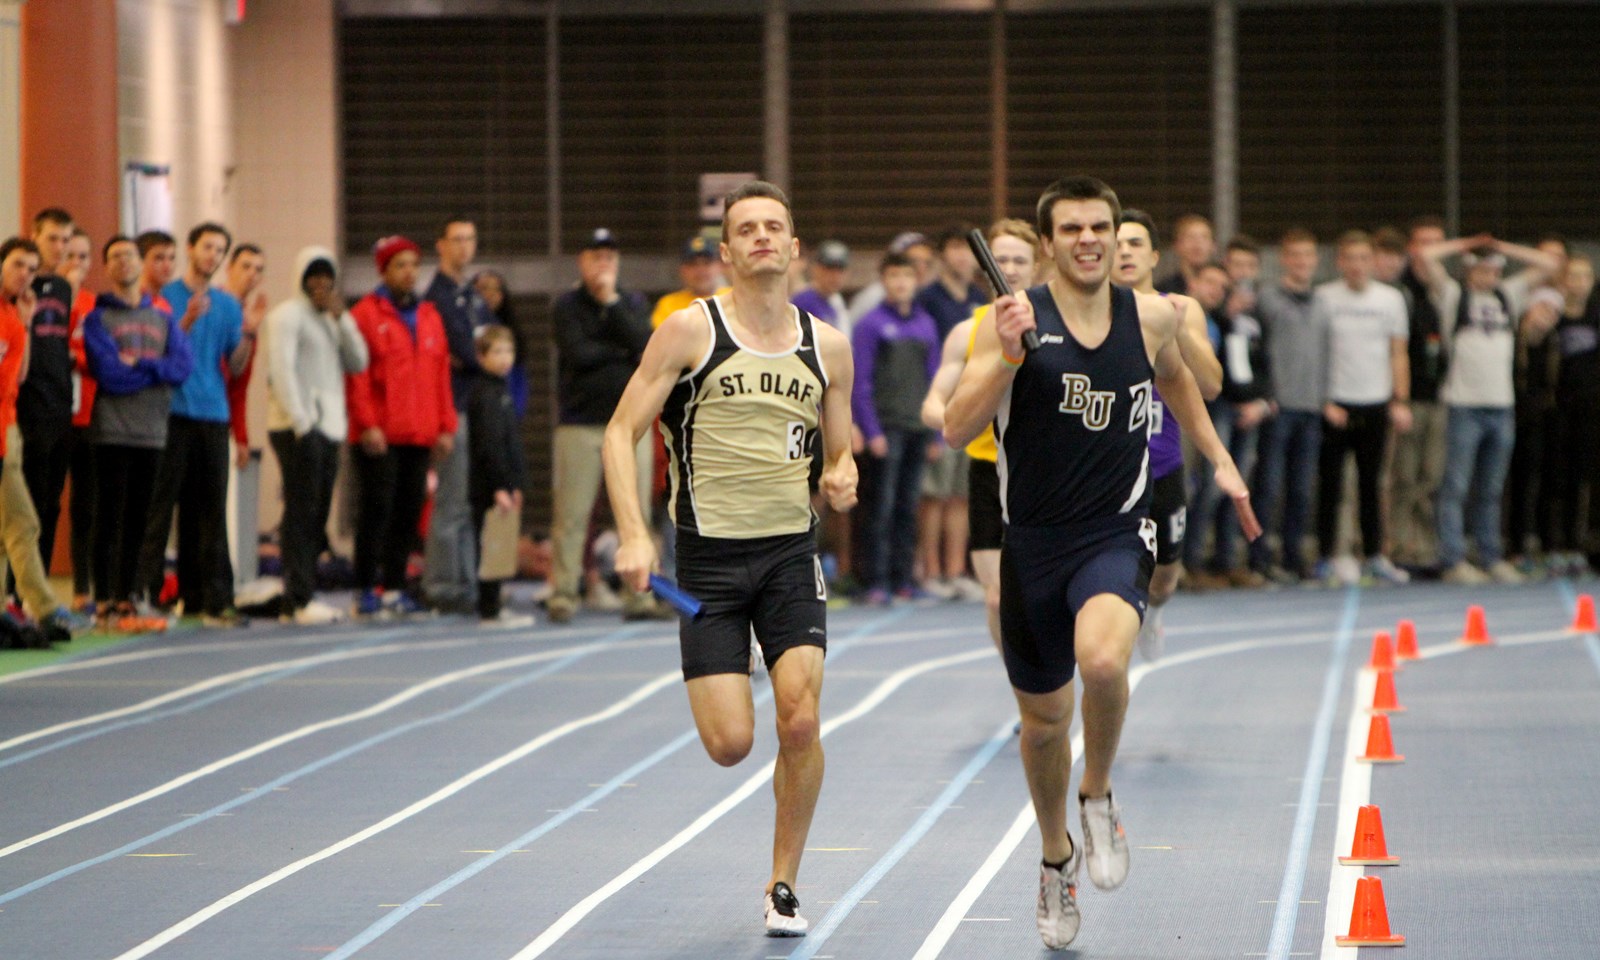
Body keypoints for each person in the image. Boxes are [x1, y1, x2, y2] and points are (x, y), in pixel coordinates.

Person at [943, 177, 1252, 949]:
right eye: (1072, 228)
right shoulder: (1008, 321)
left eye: (1100, 227)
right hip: (1031, 545)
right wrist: (1007, 357)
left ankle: (1099, 794)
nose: (1089, 239)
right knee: (1043, 724)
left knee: (1105, 664)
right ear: (1047, 243)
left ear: (1119, 237)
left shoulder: (1151, 316)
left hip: (1115, 531)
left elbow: (1180, 384)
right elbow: (955, 428)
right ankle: (1055, 859)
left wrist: (1218, 460)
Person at [602, 181, 857, 937]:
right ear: (725, 251)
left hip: (787, 554)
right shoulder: (689, 332)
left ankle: (783, 885)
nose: (762, 238)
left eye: (775, 226)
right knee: (730, 745)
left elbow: (837, 450)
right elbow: (620, 432)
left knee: (801, 721)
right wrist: (634, 533)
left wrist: (841, 474)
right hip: (708, 561)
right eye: (745, 228)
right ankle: (735, 651)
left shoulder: (828, 345)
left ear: (795, 246)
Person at [921, 218, 1042, 652]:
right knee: (996, 597)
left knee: (1042, 597)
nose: (1008, 267)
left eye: (1019, 260)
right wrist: (963, 418)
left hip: (1040, 473)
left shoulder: (1056, 325)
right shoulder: (967, 330)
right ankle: (1023, 692)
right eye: (1000, 258)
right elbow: (933, 405)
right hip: (988, 472)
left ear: (1037, 266)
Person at [1110, 210, 1224, 661]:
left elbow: (1212, 384)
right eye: (1117, 243)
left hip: (1163, 464)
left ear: (1155, 255)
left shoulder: (1180, 306)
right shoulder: (1088, 310)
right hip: (1108, 470)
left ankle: (1153, 613)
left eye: (1135, 244)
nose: (1124, 252)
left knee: (1164, 577)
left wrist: (1180, 332)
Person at [1417, 233, 1560, 584]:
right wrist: (1465, 244)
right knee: (1456, 486)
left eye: (1494, 270)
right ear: (1469, 271)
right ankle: (1453, 558)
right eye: (1481, 270)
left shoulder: (1507, 296)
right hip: (1464, 405)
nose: (1488, 276)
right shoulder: (1455, 296)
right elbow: (1424, 255)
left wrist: (1503, 247)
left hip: (1501, 407)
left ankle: (1491, 555)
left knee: (1492, 489)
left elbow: (1550, 265)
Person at [134, 223, 255, 626]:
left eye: (220, 250)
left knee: (210, 509)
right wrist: (184, 320)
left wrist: (250, 334)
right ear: (190, 249)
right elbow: (157, 350)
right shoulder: (164, 298)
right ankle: (146, 594)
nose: (213, 255)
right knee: (161, 506)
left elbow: (235, 367)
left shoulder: (228, 305)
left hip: (213, 414)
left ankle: (210, 598)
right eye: (207, 247)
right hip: (172, 413)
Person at [548, 228, 666, 623]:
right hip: (580, 425)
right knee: (572, 515)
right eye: (596, 257)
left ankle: (641, 597)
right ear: (582, 262)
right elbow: (578, 354)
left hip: (631, 424)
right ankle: (563, 594)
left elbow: (646, 346)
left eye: (610, 258)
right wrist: (620, 352)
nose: (603, 264)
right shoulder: (566, 306)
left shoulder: (630, 302)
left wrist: (611, 303)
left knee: (636, 515)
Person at [80, 235, 193, 630]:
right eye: (114, 257)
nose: (123, 262)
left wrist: (139, 365)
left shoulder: (163, 319)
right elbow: (108, 375)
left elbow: (181, 368)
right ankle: (104, 600)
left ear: (138, 263)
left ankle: (128, 598)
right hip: (111, 431)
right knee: (107, 517)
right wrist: (153, 368)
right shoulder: (97, 319)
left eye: (128, 255)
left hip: (152, 431)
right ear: (106, 267)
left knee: (139, 520)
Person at [346, 235, 457, 617]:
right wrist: (367, 424)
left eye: (413, 264)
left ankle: (393, 586)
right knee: (376, 511)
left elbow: (441, 373)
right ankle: (364, 588)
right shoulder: (364, 314)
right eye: (400, 265)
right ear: (384, 270)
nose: (409, 272)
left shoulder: (429, 315)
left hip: (420, 431)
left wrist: (446, 426)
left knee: (409, 512)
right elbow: (356, 376)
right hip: (380, 434)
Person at [264, 246, 369, 624]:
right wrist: (301, 422)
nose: (321, 286)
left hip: (329, 426)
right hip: (297, 427)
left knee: (318, 512)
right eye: (314, 278)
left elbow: (359, 361)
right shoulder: (286, 316)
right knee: (301, 510)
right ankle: (297, 597)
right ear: (302, 279)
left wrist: (343, 320)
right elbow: (282, 369)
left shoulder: (332, 319)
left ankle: (303, 594)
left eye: (328, 279)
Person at [1312, 231, 1412, 585]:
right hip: (1336, 404)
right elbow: (1316, 352)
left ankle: (1374, 556)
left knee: (1372, 485)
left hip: (1376, 403)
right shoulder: (1324, 298)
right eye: (1349, 258)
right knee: (1331, 486)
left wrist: (1399, 399)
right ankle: (1327, 557)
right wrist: (1324, 400)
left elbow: (1398, 351)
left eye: (1363, 258)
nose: (1356, 265)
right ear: (1339, 262)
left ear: (1373, 261)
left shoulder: (1391, 300)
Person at [851, 252, 941, 604]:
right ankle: (874, 580)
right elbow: (861, 381)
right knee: (880, 508)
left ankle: (904, 579)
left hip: (918, 428)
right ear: (883, 280)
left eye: (907, 276)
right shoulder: (870, 325)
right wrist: (871, 430)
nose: (901, 282)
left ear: (916, 279)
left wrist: (935, 431)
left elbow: (934, 378)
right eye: (894, 276)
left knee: (908, 507)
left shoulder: (925, 323)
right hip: (886, 430)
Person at [914, 224, 990, 599]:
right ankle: (931, 570)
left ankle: (956, 569)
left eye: (967, 250)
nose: (962, 257)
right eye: (955, 249)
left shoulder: (979, 297)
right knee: (935, 496)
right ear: (943, 255)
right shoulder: (929, 298)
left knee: (961, 495)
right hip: (943, 408)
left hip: (975, 408)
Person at [423, 217, 494, 614]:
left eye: (470, 239)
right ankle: (441, 584)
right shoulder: (437, 297)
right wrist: (475, 354)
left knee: (468, 504)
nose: (464, 247)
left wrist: (476, 353)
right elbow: (470, 351)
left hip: (475, 406)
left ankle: (464, 581)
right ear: (442, 246)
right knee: (450, 503)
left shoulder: (473, 295)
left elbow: (494, 343)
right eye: (457, 240)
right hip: (455, 408)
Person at [1251, 228, 1327, 581]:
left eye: (1307, 256)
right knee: (1268, 485)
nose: (1302, 262)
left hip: (1311, 407)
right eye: (1295, 255)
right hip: (1278, 407)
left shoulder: (1322, 302)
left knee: (1301, 488)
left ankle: (1294, 555)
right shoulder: (1266, 299)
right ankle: (1261, 557)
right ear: (1284, 259)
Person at [16, 210, 78, 602]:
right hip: (27, 408)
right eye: (52, 238)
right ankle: (19, 595)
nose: (60, 247)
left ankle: (37, 599)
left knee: (51, 505)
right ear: (35, 236)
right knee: (26, 508)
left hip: (60, 407)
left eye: (65, 240)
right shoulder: (19, 291)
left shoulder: (63, 287)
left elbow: (60, 347)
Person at [1390, 217, 1449, 568]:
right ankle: (1398, 546)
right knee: (1404, 478)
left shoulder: (1445, 290)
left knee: (1432, 478)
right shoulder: (1402, 290)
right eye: (1424, 243)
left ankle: (1425, 548)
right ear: (1412, 249)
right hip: (1409, 397)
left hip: (1439, 395)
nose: (1430, 252)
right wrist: (1399, 397)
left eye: (1437, 244)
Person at [1544, 255, 1600, 574]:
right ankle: (1555, 545)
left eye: (1585, 276)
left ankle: (1580, 545)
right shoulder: (1552, 317)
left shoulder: (1596, 315)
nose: (1578, 282)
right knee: (1557, 479)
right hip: (1557, 409)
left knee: (1585, 480)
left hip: (1591, 410)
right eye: (1572, 276)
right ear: (1563, 281)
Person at [467, 324, 526, 621]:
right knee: (490, 546)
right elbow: (489, 444)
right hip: (488, 486)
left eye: (509, 351)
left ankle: (494, 602)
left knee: (500, 546)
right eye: (497, 352)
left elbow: (510, 442)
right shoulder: (484, 393)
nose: (505, 358)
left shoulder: (502, 389)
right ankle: (488, 607)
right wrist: (499, 487)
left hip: (503, 483)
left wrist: (515, 483)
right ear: (481, 357)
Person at [64, 227, 98, 609]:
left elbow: (100, 355)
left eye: (83, 257)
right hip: (51, 416)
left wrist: (77, 358)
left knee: (86, 506)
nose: (77, 263)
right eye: (71, 255)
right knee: (41, 506)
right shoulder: (44, 301)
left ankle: (82, 587)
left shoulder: (94, 305)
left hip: (88, 415)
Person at [651, 234, 727, 328]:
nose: (700, 270)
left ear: (719, 266)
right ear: (682, 270)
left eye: (706, 263)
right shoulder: (668, 305)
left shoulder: (735, 297)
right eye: (693, 264)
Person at [790, 239, 850, 336]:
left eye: (840, 270)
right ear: (816, 269)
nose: (835, 276)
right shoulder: (802, 301)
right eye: (829, 269)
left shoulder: (836, 302)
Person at [1155, 213, 1215, 295]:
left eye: (1204, 237)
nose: (1198, 244)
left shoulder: (1224, 293)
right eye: (1191, 237)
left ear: (1213, 245)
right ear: (1177, 245)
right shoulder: (1164, 290)